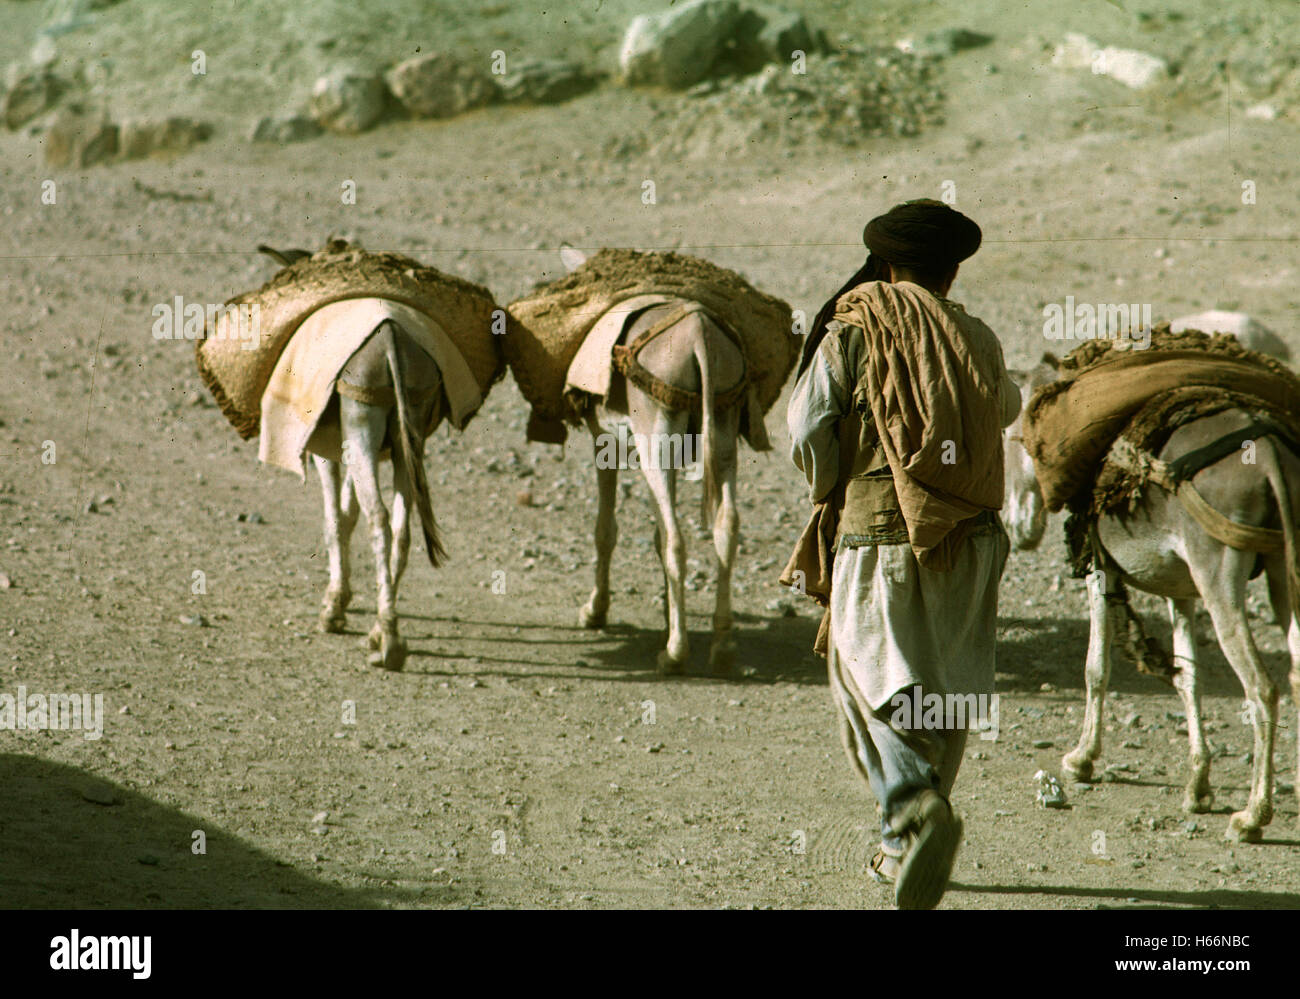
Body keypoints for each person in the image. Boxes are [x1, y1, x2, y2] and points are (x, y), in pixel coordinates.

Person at [786, 199, 1021, 909]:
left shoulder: (855, 327)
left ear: (886, 265)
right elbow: (1005, 407)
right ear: (951, 276)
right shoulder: (977, 336)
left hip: (879, 530)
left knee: (867, 679)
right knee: (946, 689)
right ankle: (902, 849)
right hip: (974, 539)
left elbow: (806, 424)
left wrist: (833, 482)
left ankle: (913, 804)